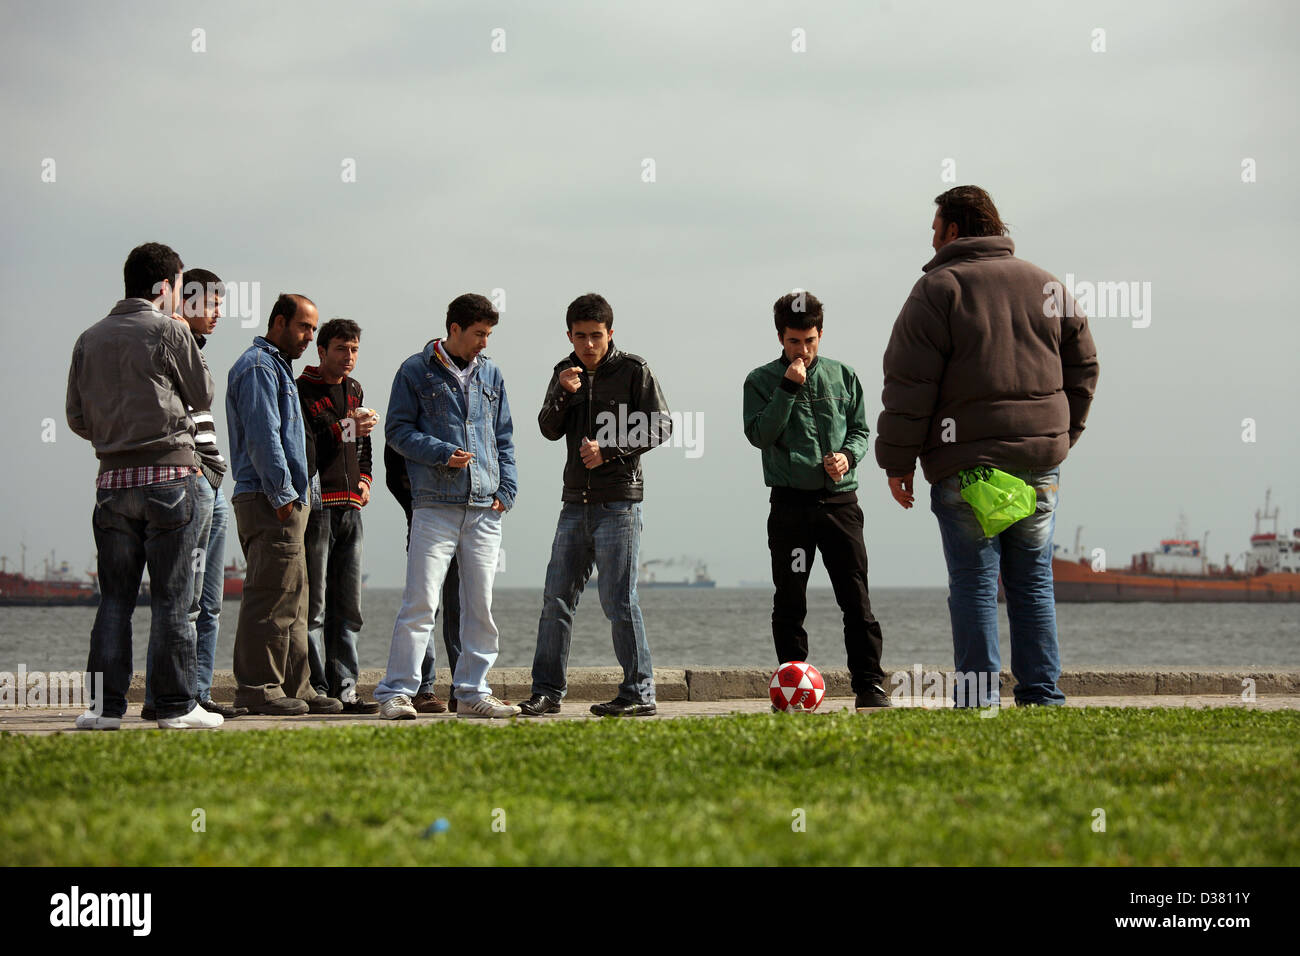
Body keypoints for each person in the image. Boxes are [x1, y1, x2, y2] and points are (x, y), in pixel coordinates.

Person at [875, 185, 1099, 707]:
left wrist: (897, 460)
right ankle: (1042, 694)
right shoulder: (1047, 286)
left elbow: (908, 387)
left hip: (968, 466)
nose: (931, 243)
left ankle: (978, 701)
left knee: (975, 585)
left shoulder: (937, 291)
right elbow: (1084, 368)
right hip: (1039, 465)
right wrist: (1064, 434)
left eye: (934, 231)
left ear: (953, 230)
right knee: (1033, 584)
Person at [65, 242, 222, 729]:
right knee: (173, 599)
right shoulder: (170, 330)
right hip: (170, 477)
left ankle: (104, 709)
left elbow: (75, 418)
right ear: (165, 286)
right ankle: (176, 707)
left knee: (114, 599)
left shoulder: (88, 338)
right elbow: (202, 394)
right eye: (179, 285)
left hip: (111, 481)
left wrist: (116, 435)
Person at [520, 293, 671, 718]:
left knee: (619, 601)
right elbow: (548, 429)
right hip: (574, 505)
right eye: (581, 336)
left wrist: (609, 450)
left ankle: (639, 693)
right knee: (555, 600)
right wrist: (563, 396)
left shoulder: (633, 370)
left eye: (597, 336)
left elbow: (662, 425)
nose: (589, 345)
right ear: (569, 335)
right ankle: (547, 692)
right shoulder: (563, 372)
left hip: (619, 504)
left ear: (610, 334)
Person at [743, 291, 890, 711]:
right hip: (790, 507)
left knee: (855, 597)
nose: (802, 351)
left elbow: (862, 430)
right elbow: (760, 435)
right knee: (790, 599)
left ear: (820, 334)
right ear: (780, 338)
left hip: (841, 505)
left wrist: (849, 455)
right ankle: (792, 687)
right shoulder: (759, 380)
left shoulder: (844, 376)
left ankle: (870, 686)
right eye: (793, 342)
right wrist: (788, 388)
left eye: (809, 341)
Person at [376, 293, 519, 720]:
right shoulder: (414, 371)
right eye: (479, 334)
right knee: (420, 603)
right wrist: (441, 452)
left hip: (484, 509)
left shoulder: (492, 374)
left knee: (480, 606)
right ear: (454, 329)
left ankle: (473, 692)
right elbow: (396, 431)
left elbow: (504, 437)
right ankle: (396, 692)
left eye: (489, 334)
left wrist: (506, 491)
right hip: (434, 506)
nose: (485, 343)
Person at [226, 293, 342, 716]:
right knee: (270, 596)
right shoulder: (258, 367)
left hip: (289, 500)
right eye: (303, 327)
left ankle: (298, 686)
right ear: (278, 322)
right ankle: (258, 688)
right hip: (270, 499)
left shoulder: (276, 367)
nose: (310, 337)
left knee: (295, 598)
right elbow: (263, 437)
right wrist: (282, 497)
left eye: (314, 329)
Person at [141, 268, 246, 721]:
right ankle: (172, 698)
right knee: (182, 600)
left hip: (213, 479)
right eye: (211, 304)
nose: (218, 313)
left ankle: (196, 692)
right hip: (193, 476)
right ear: (181, 302)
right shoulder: (166, 342)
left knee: (209, 603)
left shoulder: (192, 348)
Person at [298, 318, 379, 714]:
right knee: (315, 605)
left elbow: (363, 445)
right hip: (317, 508)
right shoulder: (302, 389)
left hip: (352, 507)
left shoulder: (355, 389)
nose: (349, 357)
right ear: (322, 350)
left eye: (354, 350)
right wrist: (347, 428)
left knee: (348, 605)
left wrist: (365, 478)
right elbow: (307, 445)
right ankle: (317, 687)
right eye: (341, 349)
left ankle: (347, 685)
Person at [383, 439, 462, 713]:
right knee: (424, 607)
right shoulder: (410, 420)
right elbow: (393, 474)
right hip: (423, 521)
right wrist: (417, 505)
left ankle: (463, 689)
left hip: (465, 521)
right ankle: (423, 689)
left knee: (461, 609)